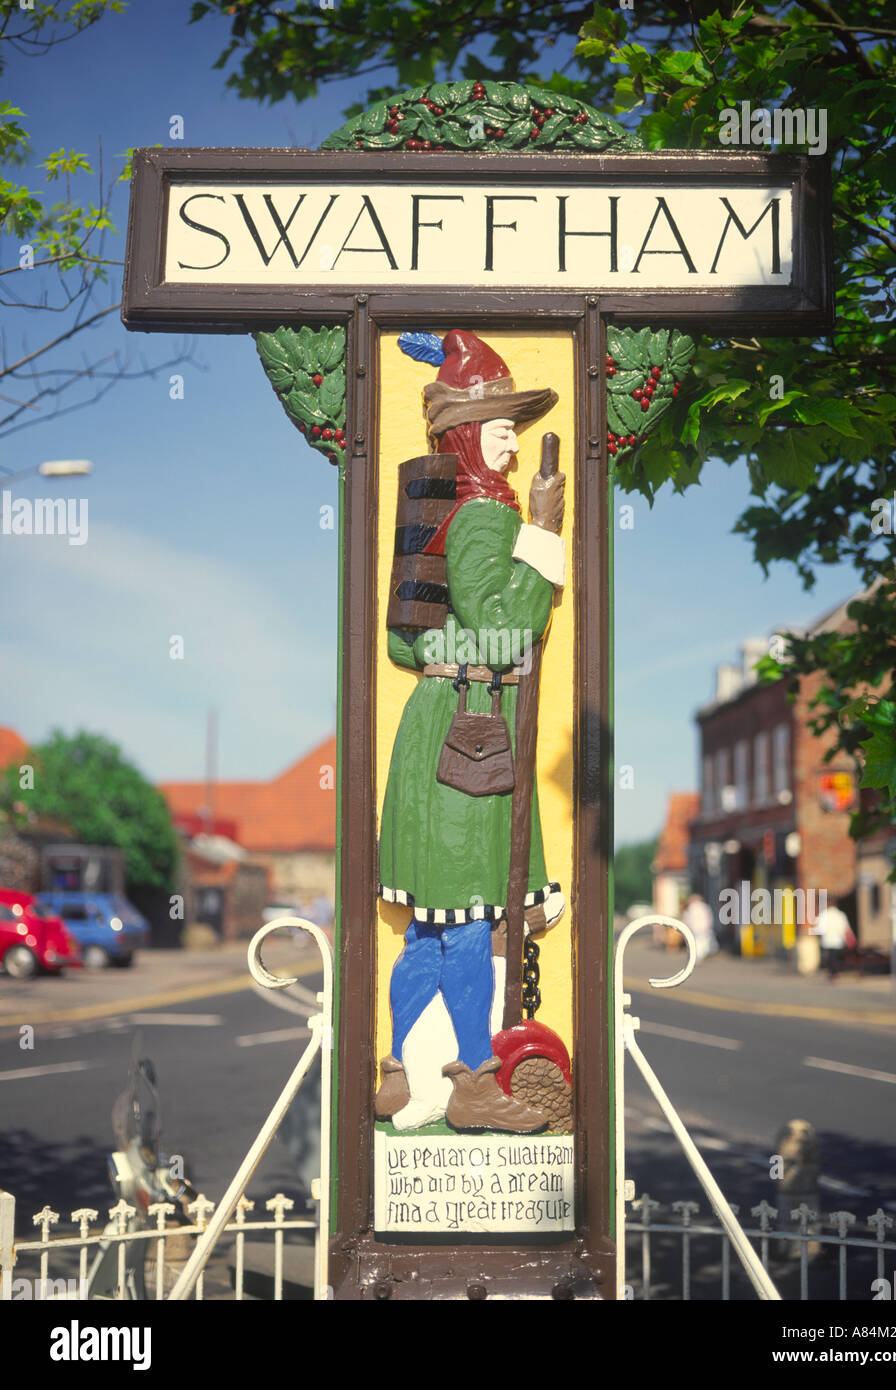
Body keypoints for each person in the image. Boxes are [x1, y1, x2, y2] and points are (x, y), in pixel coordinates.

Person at [375, 330, 566, 1133]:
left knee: (432, 920)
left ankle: (394, 1072)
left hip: (441, 729)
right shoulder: (487, 515)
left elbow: (403, 643)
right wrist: (546, 534)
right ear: (464, 433)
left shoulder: (440, 509)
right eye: (498, 430)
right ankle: (475, 1083)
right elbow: (501, 628)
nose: (511, 449)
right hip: (472, 733)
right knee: (466, 917)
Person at [817, 902, 855, 980]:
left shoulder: (824, 914)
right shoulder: (841, 914)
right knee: (835, 957)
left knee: (831, 957)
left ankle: (834, 972)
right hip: (838, 939)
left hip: (828, 940)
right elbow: (845, 927)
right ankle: (835, 971)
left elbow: (820, 928)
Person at [682, 893, 717, 960]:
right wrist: (709, 926)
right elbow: (709, 917)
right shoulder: (705, 907)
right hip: (703, 928)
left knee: (696, 942)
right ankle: (699, 955)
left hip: (694, 928)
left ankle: (697, 956)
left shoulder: (691, 907)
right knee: (702, 942)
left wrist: (686, 926)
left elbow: (687, 918)